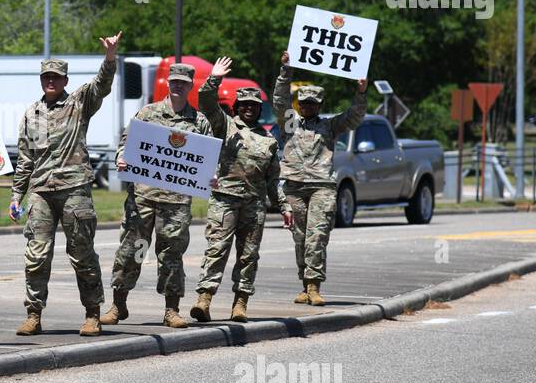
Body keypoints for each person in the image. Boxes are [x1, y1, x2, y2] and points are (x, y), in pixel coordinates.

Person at [8, 31, 123, 337]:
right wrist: (16, 195)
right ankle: (33, 314)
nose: (51, 82)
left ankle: (92, 313)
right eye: (46, 76)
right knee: (36, 255)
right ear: (41, 79)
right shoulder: (31, 114)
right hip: (41, 192)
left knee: (82, 253)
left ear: (65, 80)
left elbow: (102, 85)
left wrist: (110, 57)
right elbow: (25, 159)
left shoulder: (79, 103)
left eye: (56, 77)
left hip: (74, 190)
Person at [101, 61, 214, 328]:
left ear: (189, 87)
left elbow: (208, 159)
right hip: (143, 199)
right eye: (173, 81)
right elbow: (125, 145)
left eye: (183, 83)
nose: (177, 86)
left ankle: (171, 310)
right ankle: (118, 304)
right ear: (168, 83)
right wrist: (121, 159)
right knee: (133, 252)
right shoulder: (148, 114)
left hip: (176, 203)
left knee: (171, 256)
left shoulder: (198, 122)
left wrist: (212, 175)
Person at [272, 50, 367, 305]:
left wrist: (360, 92)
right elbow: (279, 102)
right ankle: (304, 284)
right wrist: (286, 71)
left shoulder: (329, 126)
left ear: (320, 105)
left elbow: (354, 117)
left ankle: (314, 286)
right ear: (299, 104)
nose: (308, 107)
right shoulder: (290, 123)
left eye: (313, 103)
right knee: (300, 238)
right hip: (294, 186)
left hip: (322, 187)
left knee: (317, 235)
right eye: (304, 103)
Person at [190, 59, 281, 323]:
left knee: (248, 254)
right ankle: (204, 300)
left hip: (253, 204)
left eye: (254, 105)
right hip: (224, 200)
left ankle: (240, 303)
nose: (249, 109)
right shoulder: (225, 126)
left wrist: (284, 206)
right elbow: (206, 102)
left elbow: (274, 179)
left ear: (260, 109)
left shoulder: (269, 141)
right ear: (237, 107)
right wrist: (214, 78)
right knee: (216, 249)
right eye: (244, 105)